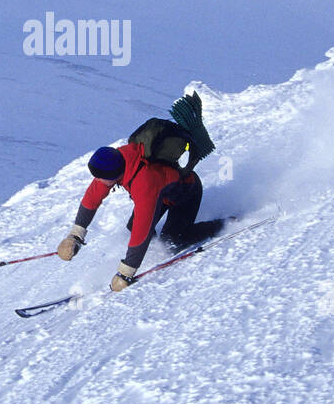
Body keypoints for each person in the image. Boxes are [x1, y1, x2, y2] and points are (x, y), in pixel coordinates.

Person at [57, 110, 220, 291]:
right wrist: (75, 235)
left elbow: (143, 227)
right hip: (162, 195)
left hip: (186, 193)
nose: (99, 181)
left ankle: (223, 225)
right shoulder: (118, 160)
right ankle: (151, 251)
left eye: (101, 178)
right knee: (133, 226)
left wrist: (126, 272)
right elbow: (92, 197)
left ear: (114, 175)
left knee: (172, 240)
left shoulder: (144, 182)